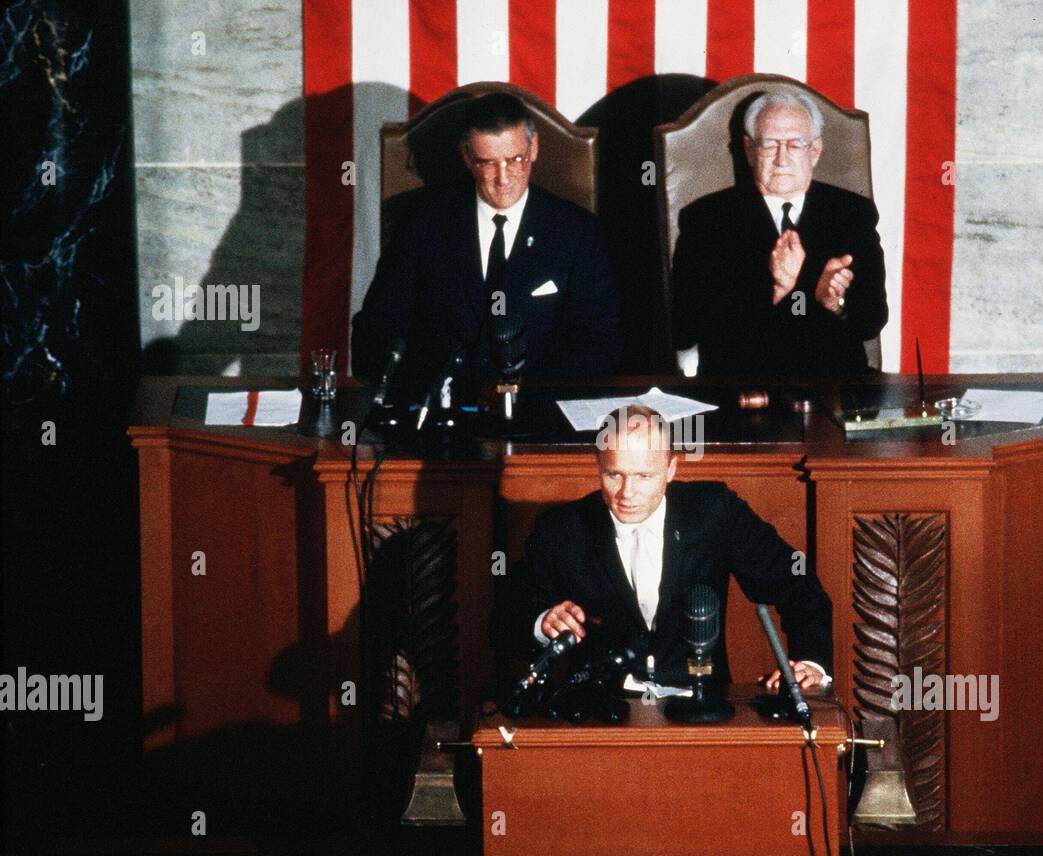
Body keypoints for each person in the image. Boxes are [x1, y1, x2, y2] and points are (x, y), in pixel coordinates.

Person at [502, 404, 833, 691]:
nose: (626, 493)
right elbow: (504, 621)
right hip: (601, 711)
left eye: (644, 476)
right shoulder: (561, 529)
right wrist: (542, 622)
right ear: (598, 465)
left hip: (701, 706)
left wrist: (810, 664)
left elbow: (798, 584)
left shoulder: (714, 511)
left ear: (671, 468)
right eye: (614, 474)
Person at [350, 92, 621, 393]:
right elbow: (375, 334)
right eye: (488, 163)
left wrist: (523, 392)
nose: (503, 178)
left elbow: (600, 347)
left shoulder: (577, 232)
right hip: (442, 414)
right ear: (467, 157)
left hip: (539, 413)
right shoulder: (424, 225)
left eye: (515, 160)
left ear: (533, 149)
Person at [671, 89, 888, 378]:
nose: (781, 160)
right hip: (741, 385)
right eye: (770, 145)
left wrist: (835, 303)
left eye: (796, 144)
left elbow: (871, 320)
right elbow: (685, 329)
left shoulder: (852, 213)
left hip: (835, 384)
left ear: (814, 151)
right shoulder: (707, 219)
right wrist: (777, 289)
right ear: (749, 150)